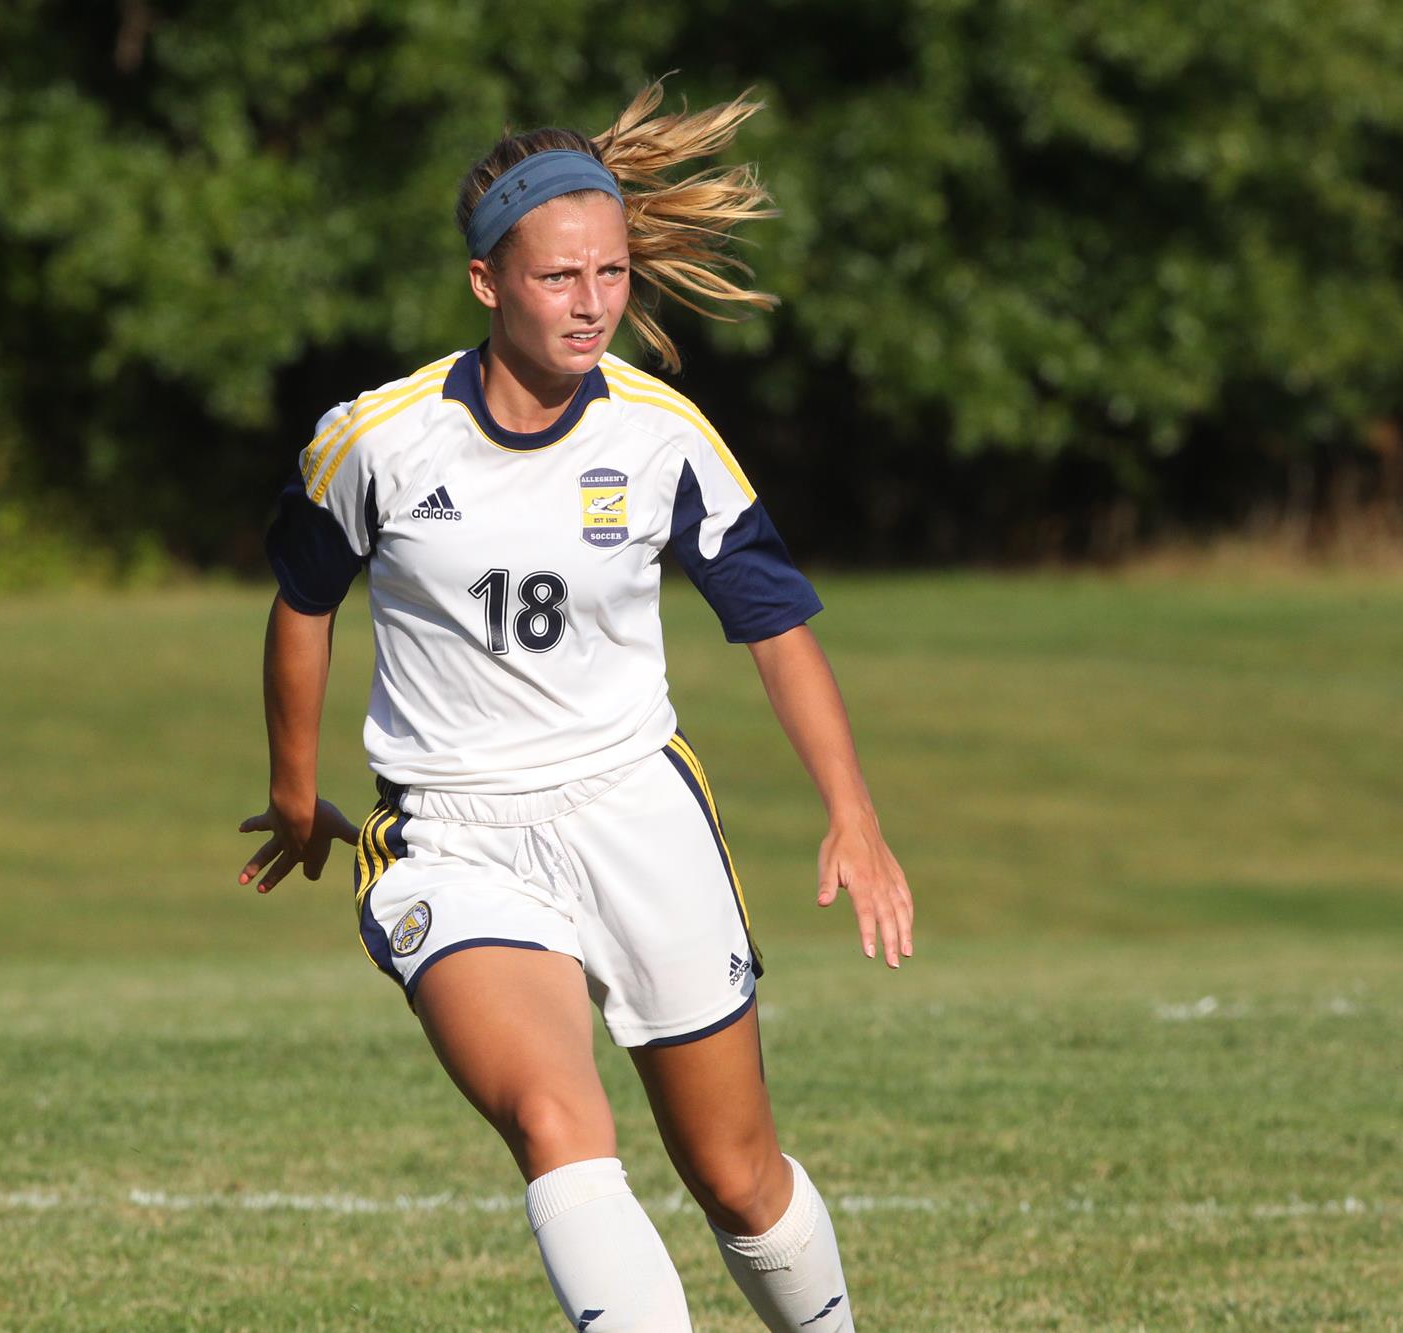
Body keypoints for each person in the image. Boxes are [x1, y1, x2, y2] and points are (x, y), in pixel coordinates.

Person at [242, 81, 913, 1332]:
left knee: (735, 1176)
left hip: (633, 813)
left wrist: (851, 811)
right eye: (559, 278)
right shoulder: (376, 441)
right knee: (561, 1124)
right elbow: (300, 599)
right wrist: (293, 790)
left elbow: (771, 623)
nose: (592, 301)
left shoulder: (663, 436)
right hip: (454, 833)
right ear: (486, 283)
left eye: (609, 273)